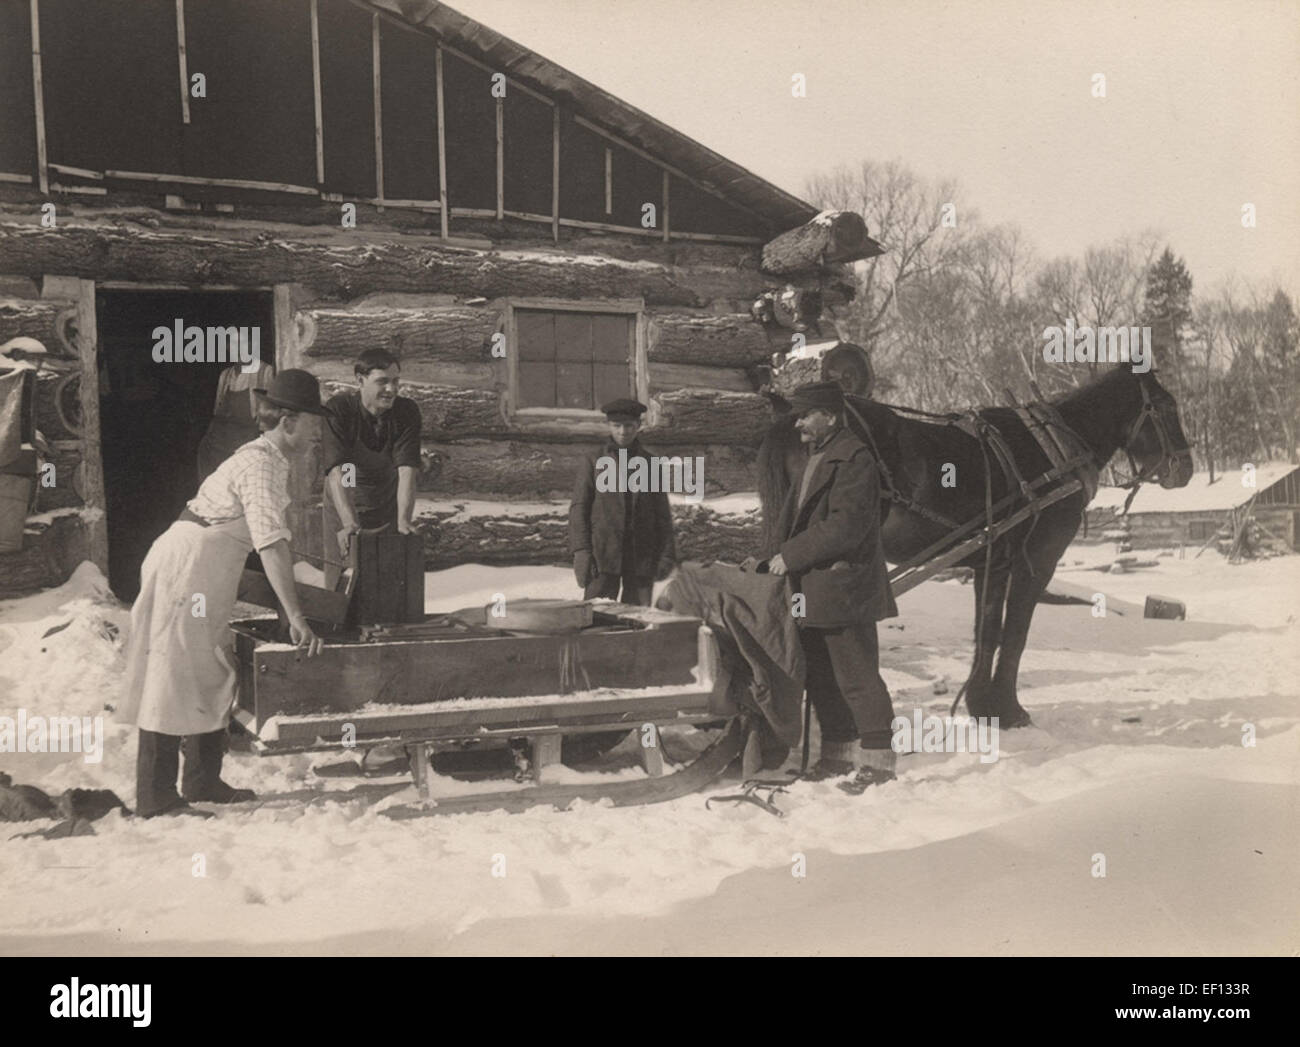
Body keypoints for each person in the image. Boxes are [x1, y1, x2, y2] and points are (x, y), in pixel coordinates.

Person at [118, 370, 329, 817]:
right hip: (187, 568)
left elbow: (266, 539)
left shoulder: (273, 461)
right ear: (288, 421)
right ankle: (155, 797)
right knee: (170, 671)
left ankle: (201, 781)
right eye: (314, 422)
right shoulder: (259, 464)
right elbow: (271, 542)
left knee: (210, 667)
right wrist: (296, 615)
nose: (318, 433)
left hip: (209, 570)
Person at [757, 380, 899, 793]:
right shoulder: (818, 456)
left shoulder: (855, 459)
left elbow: (845, 527)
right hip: (812, 587)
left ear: (829, 417)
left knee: (857, 676)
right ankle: (837, 755)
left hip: (843, 585)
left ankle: (879, 763)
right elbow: (798, 519)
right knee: (821, 675)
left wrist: (791, 556)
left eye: (805, 415)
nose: (798, 422)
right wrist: (771, 557)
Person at [569, 398, 675, 606]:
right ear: (609, 426)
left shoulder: (650, 463)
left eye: (628, 426)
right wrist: (581, 551)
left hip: (641, 556)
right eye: (617, 426)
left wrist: (667, 555)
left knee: (637, 619)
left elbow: (662, 514)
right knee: (598, 617)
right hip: (603, 555)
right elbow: (579, 508)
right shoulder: (593, 461)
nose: (623, 432)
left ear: (638, 426)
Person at [322, 348, 422, 560]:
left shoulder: (406, 412)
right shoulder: (341, 410)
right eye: (382, 381)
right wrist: (349, 521)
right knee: (345, 577)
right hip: (345, 501)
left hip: (385, 504)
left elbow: (406, 469)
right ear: (360, 380)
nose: (391, 389)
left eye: (396, 381)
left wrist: (403, 520)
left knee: (385, 576)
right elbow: (341, 469)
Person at [196, 360, 276, 482]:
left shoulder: (265, 371)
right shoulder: (226, 375)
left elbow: (272, 413)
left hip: (251, 435)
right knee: (205, 450)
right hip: (226, 436)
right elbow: (218, 412)